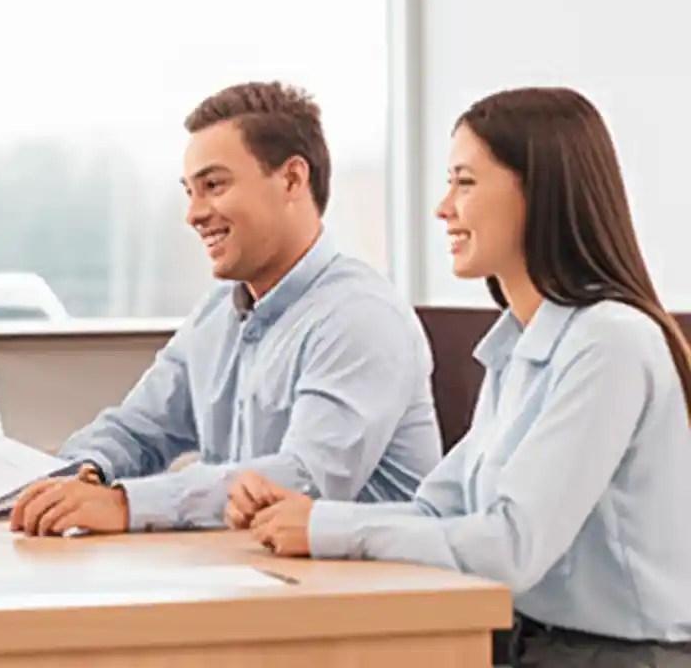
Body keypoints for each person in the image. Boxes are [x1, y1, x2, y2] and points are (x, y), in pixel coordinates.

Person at [238, 87, 691, 665]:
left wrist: (328, 529)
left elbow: (511, 547)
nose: (443, 206)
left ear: (539, 191)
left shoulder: (609, 343)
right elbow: (439, 512)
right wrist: (308, 516)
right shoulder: (521, 345)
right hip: (528, 644)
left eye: (465, 182)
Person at [9, 81, 442, 537]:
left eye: (213, 185)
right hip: (254, 576)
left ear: (292, 179)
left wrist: (124, 504)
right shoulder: (219, 312)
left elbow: (304, 480)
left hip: (366, 593)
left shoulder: (361, 316)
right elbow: (138, 428)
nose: (193, 214)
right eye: (189, 191)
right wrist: (69, 478)